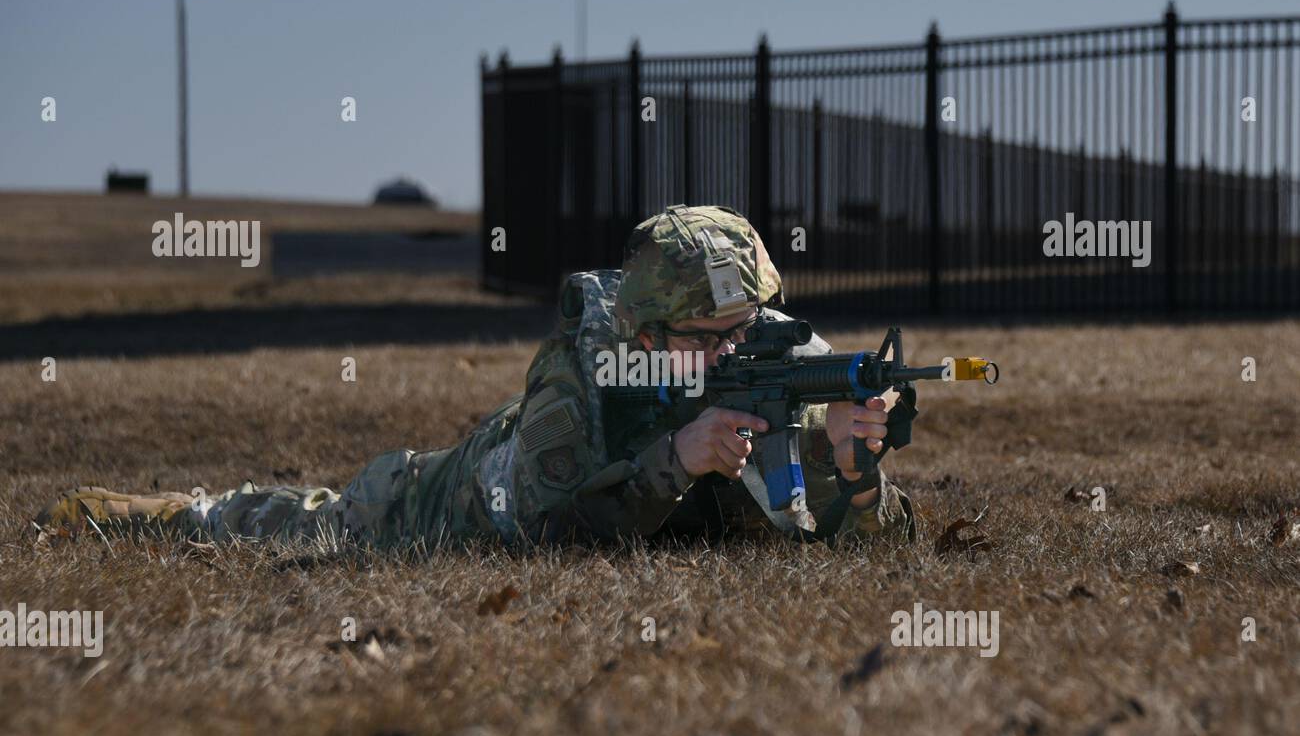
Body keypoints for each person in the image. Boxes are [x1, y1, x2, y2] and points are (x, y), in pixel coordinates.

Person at [35, 205, 915, 549]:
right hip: (465, 497)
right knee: (316, 526)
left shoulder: (778, 351)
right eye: (709, 337)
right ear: (648, 331)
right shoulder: (583, 372)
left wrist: (855, 471)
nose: (736, 351)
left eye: (747, 326)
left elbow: (876, 542)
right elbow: (547, 537)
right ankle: (155, 515)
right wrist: (676, 459)